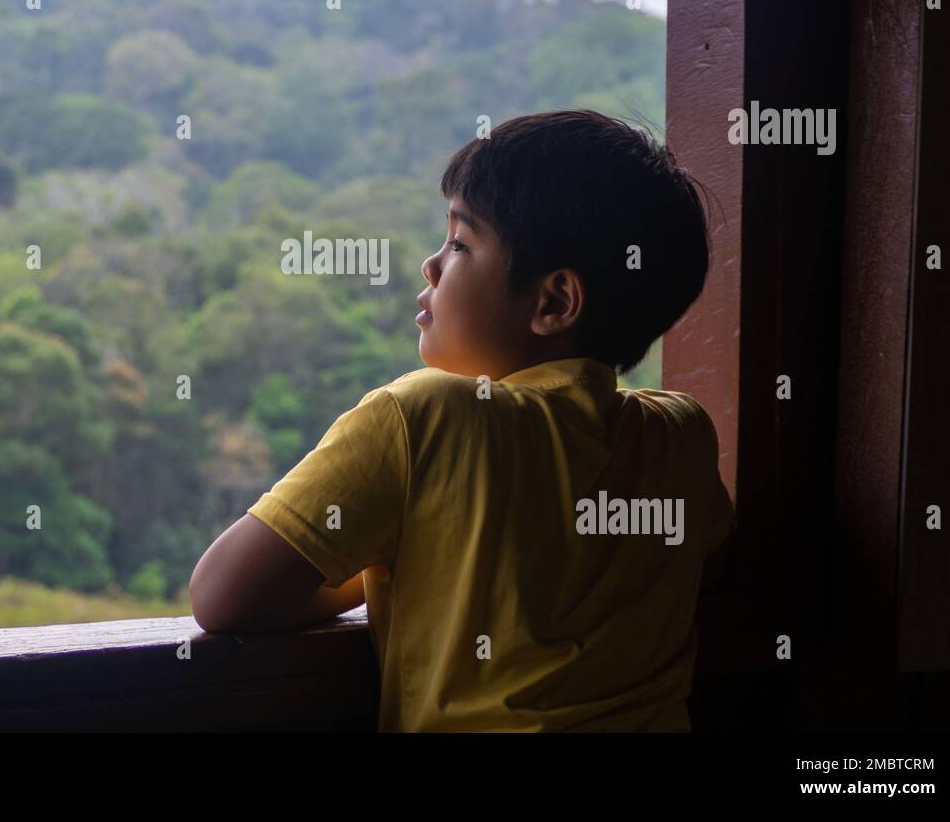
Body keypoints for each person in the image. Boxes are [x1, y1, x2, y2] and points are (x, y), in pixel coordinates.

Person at [190, 109, 736, 732]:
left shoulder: (423, 418)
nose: (431, 266)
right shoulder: (681, 434)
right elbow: (704, 563)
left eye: (459, 243)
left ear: (554, 301)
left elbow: (223, 595)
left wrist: (387, 553)